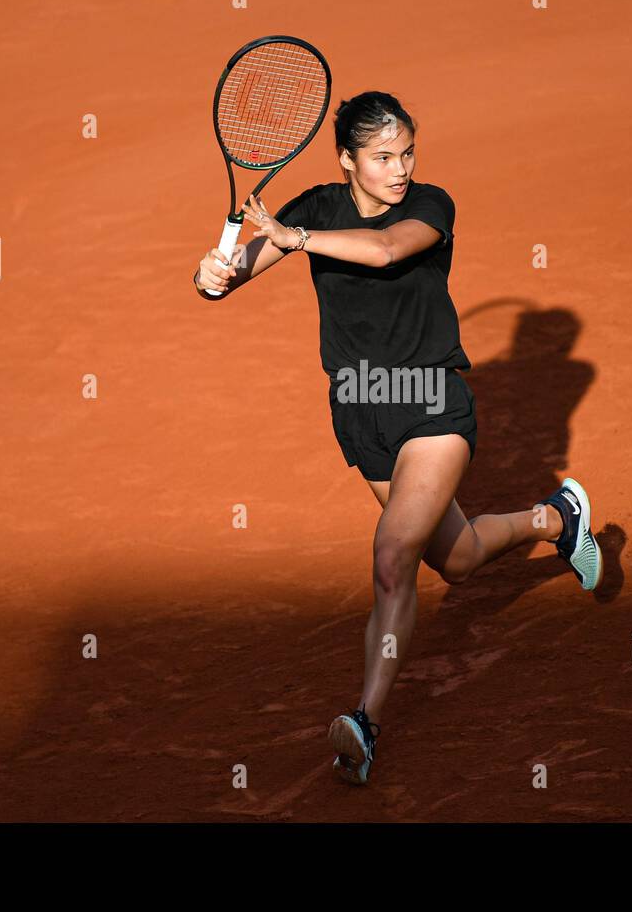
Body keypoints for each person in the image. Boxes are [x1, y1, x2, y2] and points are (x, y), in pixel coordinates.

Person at [194, 91, 603, 784]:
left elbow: (385, 252)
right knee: (460, 558)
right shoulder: (315, 208)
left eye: (407, 152)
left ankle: (365, 722)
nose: (400, 168)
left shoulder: (430, 206)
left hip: (433, 405)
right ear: (346, 161)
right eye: (382, 157)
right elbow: (236, 274)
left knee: (391, 558)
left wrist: (295, 240)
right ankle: (556, 517)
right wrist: (212, 275)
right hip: (361, 414)